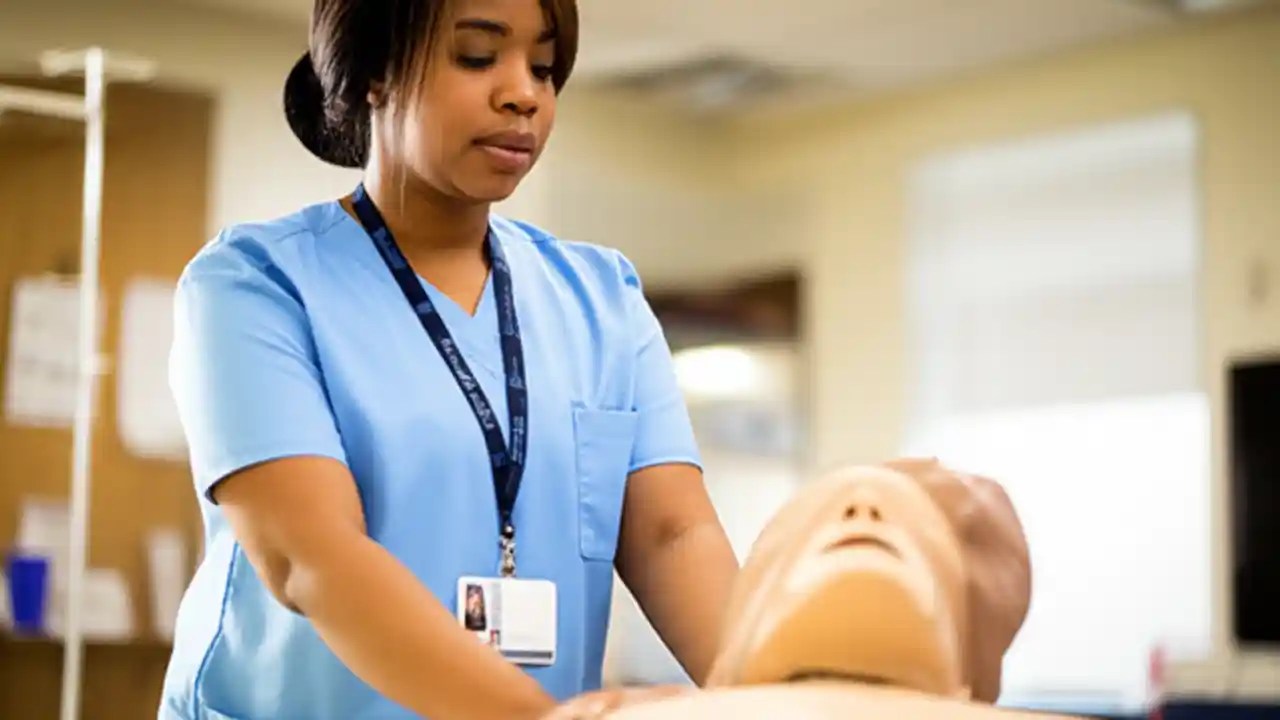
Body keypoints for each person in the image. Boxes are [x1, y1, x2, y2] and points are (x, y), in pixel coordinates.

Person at [157, 0, 741, 718]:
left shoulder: (603, 300)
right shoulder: (256, 285)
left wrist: (790, 696)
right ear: (375, 71)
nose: (522, 92)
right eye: (476, 56)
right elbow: (310, 558)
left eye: (544, 68)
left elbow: (672, 534)